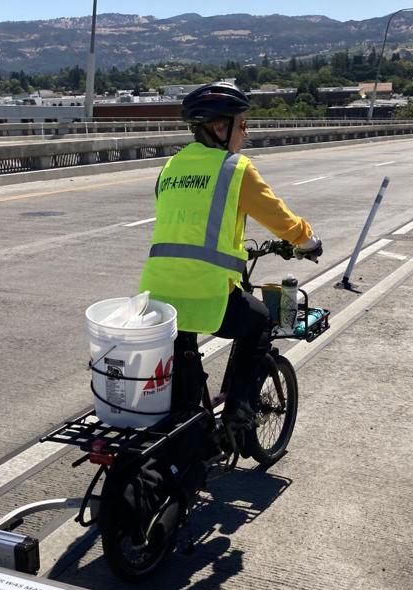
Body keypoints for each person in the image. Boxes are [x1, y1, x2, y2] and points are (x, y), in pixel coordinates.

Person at [138, 81, 322, 437]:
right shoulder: (235, 168)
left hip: (156, 295)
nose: (245, 132)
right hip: (206, 292)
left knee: (184, 355)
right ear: (220, 128)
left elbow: (187, 223)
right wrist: (308, 242)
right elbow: (280, 218)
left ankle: (191, 422)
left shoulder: (170, 168)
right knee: (260, 321)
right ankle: (239, 411)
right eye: (242, 124)